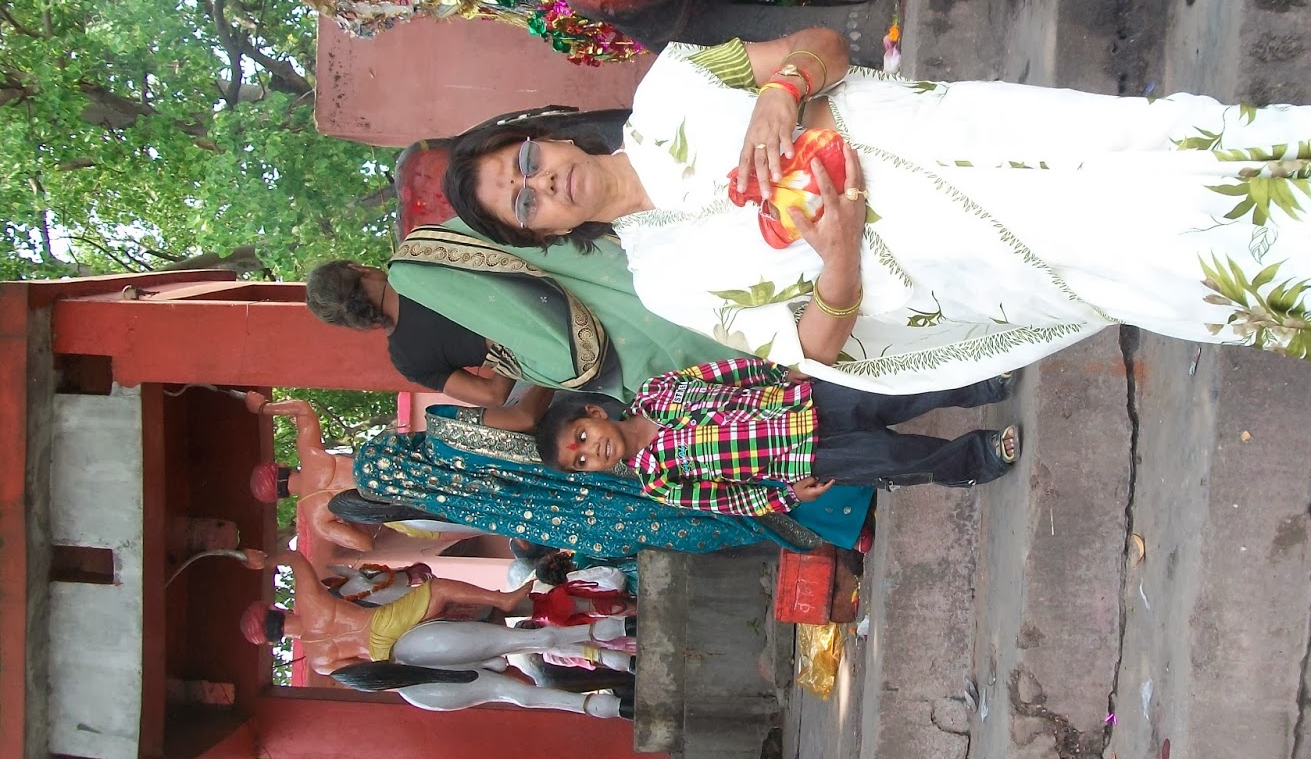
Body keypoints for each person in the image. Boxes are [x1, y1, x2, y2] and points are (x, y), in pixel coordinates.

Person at [439, 27, 1311, 389]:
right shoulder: (663, 276)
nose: (539, 182)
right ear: (541, 236)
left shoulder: (677, 81)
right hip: (954, 265)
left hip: (978, 135)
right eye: (521, 204)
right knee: (1163, 254)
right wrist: (841, 256)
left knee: (1180, 141)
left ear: (545, 133)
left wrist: (776, 91)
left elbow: (823, 52)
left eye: (523, 160)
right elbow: (814, 344)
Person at [352, 397, 870, 557]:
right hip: (599, 464)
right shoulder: (445, 427)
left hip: (600, 510)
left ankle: (842, 524)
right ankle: (851, 479)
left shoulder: (451, 503)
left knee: (711, 505)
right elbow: (526, 421)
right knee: (723, 461)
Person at [535, 357, 1018, 517]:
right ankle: (980, 458)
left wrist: (780, 370)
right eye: (582, 463)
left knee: (897, 393)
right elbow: (731, 502)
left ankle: (983, 382)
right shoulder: (658, 481)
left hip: (806, 402)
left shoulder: (658, 389)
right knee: (897, 456)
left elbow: (728, 374)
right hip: (806, 459)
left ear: (595, 412)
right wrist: (787, 497)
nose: (591, 452)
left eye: (582, 436)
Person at [237, 548, 632, 717]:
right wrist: (265, 560)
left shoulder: (322, 663)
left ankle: (603, 701)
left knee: (517, 695)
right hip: (383, 627)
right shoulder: (313, 605)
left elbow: (376, 675)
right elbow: (293, 558)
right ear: (277, 609)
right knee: (438, 589)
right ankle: (506, 599)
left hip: (388, 660)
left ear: (276, 641)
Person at [244, 390, 482, 553]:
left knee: (452, 528)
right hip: (403, 468)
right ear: (281, 467)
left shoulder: (317, 518)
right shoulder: (311, 457)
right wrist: (264, 408)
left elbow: (364, 544)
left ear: (280, 497)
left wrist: (351, 515)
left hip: (399, 508)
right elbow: (302, 409)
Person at [305, 259, 525, 408]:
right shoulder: (415, 260)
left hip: (546, 349)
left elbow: (492, 395)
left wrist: (516, 344)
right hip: (542, 282)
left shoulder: (406, 360)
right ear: (358, 268)